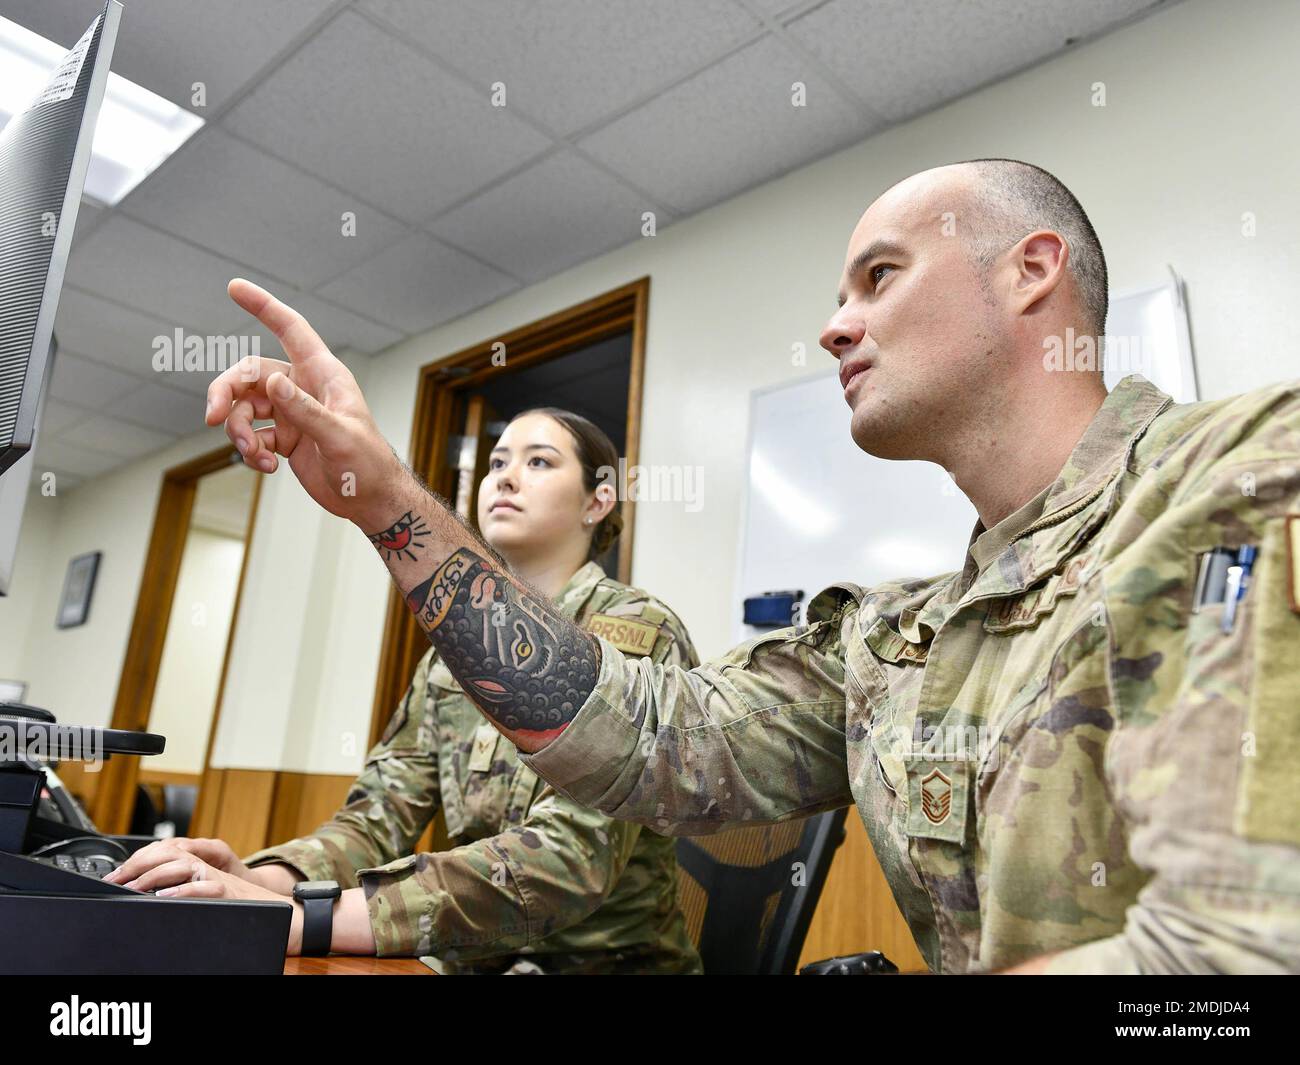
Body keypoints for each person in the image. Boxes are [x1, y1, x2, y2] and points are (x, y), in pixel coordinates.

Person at [198, 157, 1298, 975]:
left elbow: (1233, 961)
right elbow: (643, 742)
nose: (834, 326)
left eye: (877, 277)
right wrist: (390, 507)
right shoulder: (890, 640)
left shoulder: (1241, 476)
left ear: (1031, 271)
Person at [106, 408, 703, 975]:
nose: (506, 478)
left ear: (599, 499)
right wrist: (266, 882)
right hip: (469, 959)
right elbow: (377, 818)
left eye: (539, 462)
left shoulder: (634, 633)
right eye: (496, 463)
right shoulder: (457, 654)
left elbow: (568, 861)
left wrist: (312, 917)